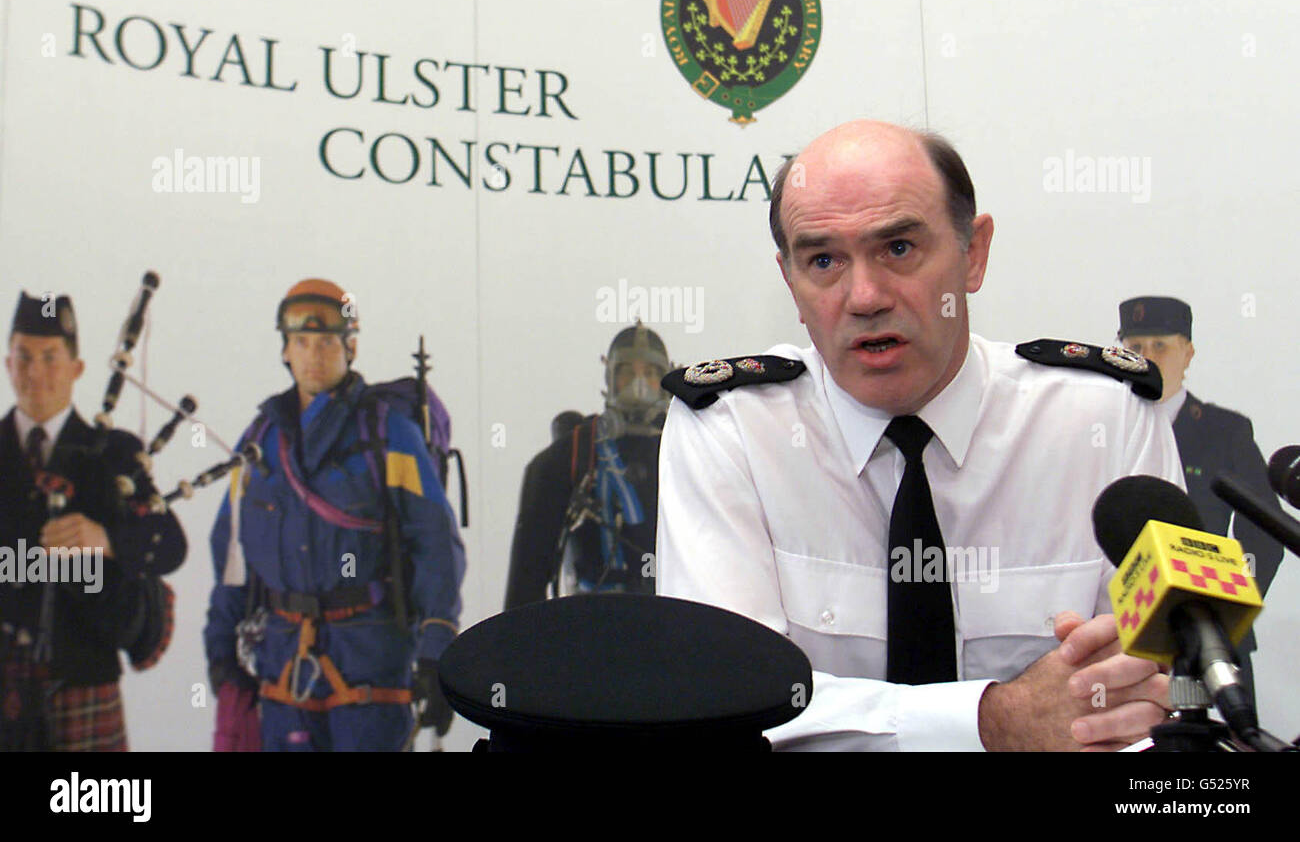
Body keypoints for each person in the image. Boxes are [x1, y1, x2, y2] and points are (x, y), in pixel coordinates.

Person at [655, 120, 1185, 751]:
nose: (865, 296)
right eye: (822, 260)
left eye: (899, 249)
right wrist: (992, 722)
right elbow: (726, 705)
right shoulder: (729, 429)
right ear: (790, 281)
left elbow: (1152, 693)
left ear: (974, 253)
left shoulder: (1107, 418)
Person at [203, 278, 465, 751]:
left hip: (370, 662)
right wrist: (221, 648)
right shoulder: (260, 442)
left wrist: (436, 651)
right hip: (283, 664)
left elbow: (435, 544)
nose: (313, 354)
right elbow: (232, 552)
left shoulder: (389, 435)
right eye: (301, 342)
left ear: (351, 346)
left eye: (326, 341)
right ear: (285, 350)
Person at [1, 291, 185, 750]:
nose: (34, 372)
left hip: (83, 678)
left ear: (76, 368)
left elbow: (168, 544)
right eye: (23, 356)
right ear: (7, 363)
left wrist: (107, 538)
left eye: (49, 357)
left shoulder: (114, 453)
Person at [1117, 295, 1282, 702]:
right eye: (1134, 348)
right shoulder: (1096, 428)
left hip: (1213, 641)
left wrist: (1220, 608)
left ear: (1187, 353)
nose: (1147, 358)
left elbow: (1265, 533)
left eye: (1160, 346)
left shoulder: (1224, 432)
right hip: (1118, 637)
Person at [504, 322, 671, 609]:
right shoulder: (569, 458)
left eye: (650, 374)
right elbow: (526, 580)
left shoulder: (687, 453)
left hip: (670, 622)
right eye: (628, 373)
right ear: (610, 378)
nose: (639, 384)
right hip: (590, 624)